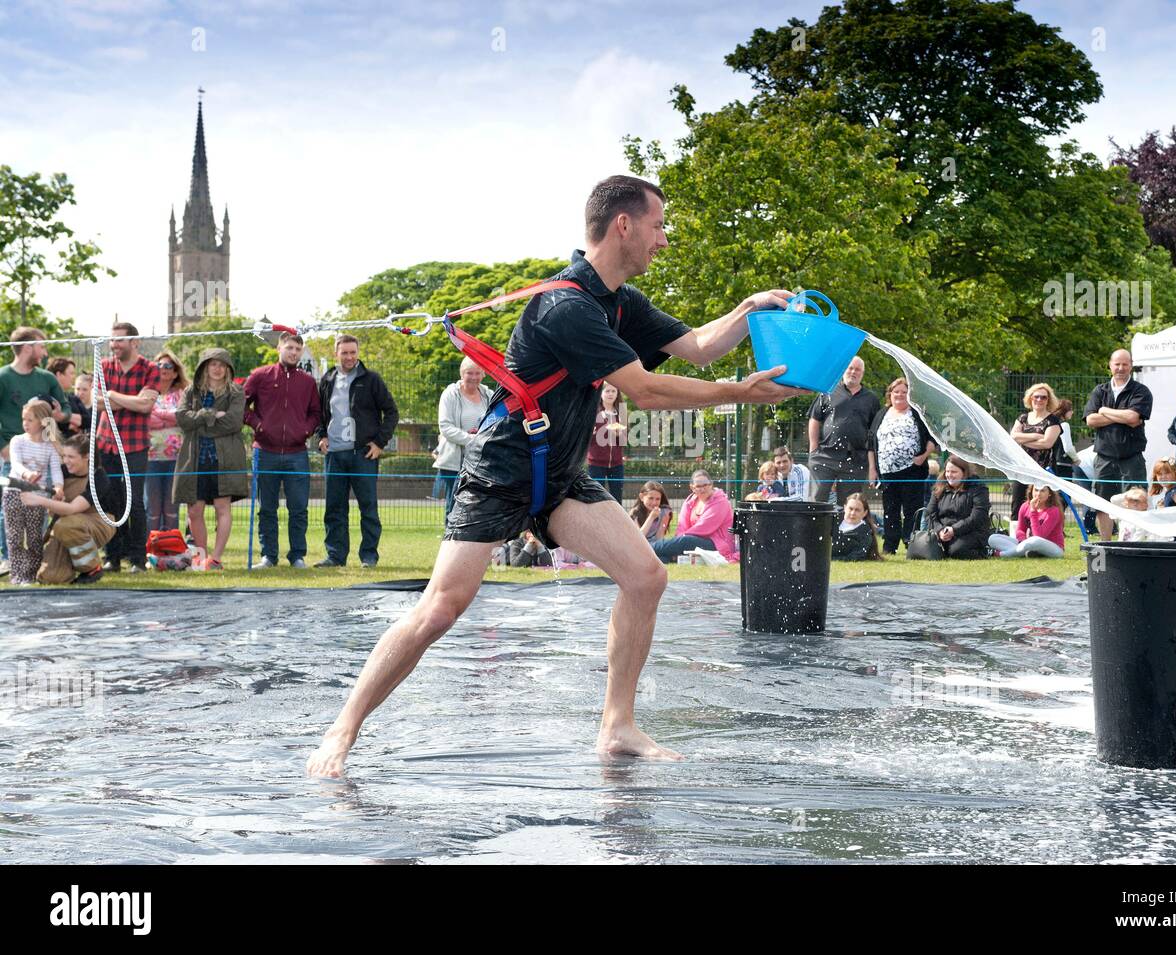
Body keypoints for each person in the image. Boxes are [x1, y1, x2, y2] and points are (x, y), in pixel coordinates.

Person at [306, 174, 803, 776]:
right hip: (502, 472)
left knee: (646, 577)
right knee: (440, 609)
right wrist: (740, 393)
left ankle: (618, 726)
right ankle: (342, 729)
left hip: (563, 476)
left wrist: (749, 310)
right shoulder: (565, 305)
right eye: (658, 225)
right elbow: (643, 392)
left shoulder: (619, 302)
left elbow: (696, 346)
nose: (663, 240)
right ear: (624, 224)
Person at [316, 334, 399, 568]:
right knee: (334, 509)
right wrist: (320, 435)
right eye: (345, 352)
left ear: (358, 353)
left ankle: (369, 557)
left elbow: (392, 412)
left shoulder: (371, 380)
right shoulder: (327, 380)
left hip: (363, 455)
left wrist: (379, 443)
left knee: (368, 509)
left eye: (353, 352)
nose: (349, 357)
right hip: (334, 456)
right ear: (336, 354)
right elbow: (319, 414)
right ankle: (335, 556)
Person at [244, 332, 321, 569]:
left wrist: (305, 431)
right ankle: (269, 556)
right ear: (279, 348)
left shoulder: (308, 382)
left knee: (298, 508)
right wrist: (259, 425)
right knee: (267, 508)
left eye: (298, 349)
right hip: (265, 451)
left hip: (297, 453)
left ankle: (297, 556)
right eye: (289, 348)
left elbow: (316, 414)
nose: (294, 353)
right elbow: (242, 406)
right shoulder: (260, 376)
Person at [1, 328, 71, 574]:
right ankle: (8, 559)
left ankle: (34, 562)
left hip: (44, 454)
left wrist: (58, 415)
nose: (45, 351)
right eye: (42, 346)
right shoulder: (3, 377)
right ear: (28, 347)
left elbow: (65, 410)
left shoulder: (47, 379)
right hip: (13, 452)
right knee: (9, 514)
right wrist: (4, 447)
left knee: (36, 514)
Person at [173, 348, 248, 571]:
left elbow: (234, 423)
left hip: (224, 459)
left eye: (222, 365)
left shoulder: (236, 392)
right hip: (194, 459)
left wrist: (200, 425)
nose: (217, 369)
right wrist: (209, 415)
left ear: (228, 369)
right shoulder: (191, 392)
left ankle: (215, 559)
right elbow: (182, 420)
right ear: (205, 367)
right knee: (194, 510)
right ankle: (200, 556)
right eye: (213, 364)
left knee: (221, 507)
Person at [95, 321, 160, 573]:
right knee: (110, 501)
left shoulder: (150, 368)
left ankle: (138, 559)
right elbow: (96, 404)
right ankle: (112, 557)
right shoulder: (103, 366)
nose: (113, 345)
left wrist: (111, 396)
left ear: (135, 342)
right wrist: (126, 400)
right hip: (106, 443)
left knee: (134, 503)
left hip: (135, 445)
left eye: (119, 340)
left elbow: (146, 406)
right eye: (111, 340)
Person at [23, 433, 116, 584]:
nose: (66, 461)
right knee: (51, 577)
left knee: (67, 525)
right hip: (65, 525)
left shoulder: (98, 478)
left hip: (99, 523)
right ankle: (71, 563)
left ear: (86, 456)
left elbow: (73, 508)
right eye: (64, 456)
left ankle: (92, 569)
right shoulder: (61, 472)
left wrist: (38, 500)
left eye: (71, 457)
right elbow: (55, 512)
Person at [1083, 349, 1153, 541]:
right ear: (1110, 365)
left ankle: (1132, 543)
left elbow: (1133, 417)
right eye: (1117, 364)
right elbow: (1090, 420)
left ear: (1130, 365)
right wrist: (1121, 416)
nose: (1121, 368)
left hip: (1132, 457)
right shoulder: (1100, 390)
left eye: (1125, 364)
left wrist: (1104, 410)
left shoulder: (1140, 391)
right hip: (1104, 458)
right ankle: (1106, 544)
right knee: (1102, 503)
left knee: (1136, 501)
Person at [870, 378, 936, 555]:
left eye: (904, 392)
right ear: (890, 394)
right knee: (890, 510)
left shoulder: (917, 414)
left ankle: (911, 544)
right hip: (887, 472)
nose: (899, 395)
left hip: (912, 470)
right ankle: (889, 545)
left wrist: (922, 457)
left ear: (910, 395)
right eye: (896, 392)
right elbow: (871, 443)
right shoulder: (881, 414)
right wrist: (872, 469)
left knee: (911, 510)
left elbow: (932, 439)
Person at [3, 400, 64, 584]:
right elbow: (16, 464)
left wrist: (59, 486)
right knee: (14, 536)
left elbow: (55, 470)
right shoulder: (17, 441)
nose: (25, 423)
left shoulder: (50, 447)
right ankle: (18, 575)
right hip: (14, 493)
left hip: (37, 498)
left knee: (35, 537)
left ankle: (32, 574)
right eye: (24, 419)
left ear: (42, 422)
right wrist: (27, 474)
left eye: (29, 420)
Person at [808, 356, 880, 503]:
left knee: (849, 504)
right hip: (824, 456)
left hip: (855, 459)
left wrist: (873, 465)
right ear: (843, 370)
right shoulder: (827, 392)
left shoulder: (871, 399)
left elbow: (874, 433)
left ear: (862, 374)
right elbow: (814, 418)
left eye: (857, 370)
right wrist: (813, 449)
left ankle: (842, 527)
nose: (853, 372)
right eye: (850, 368)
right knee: (816, 500)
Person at [433, 358, 492, 519]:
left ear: (483, 374)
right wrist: (471, 439)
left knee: (479, 506)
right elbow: (445, 427)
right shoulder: (450, 394)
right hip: (453, 462)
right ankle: (450, 542)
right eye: (469, 373)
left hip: (481, 461)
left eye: (477, 373)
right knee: (454, 507)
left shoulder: (489, 395)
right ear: (461, 374)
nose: (473, 377)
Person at [650, 469, 737, 563]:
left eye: (705, 485)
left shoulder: (721, 502)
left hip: (718, 545)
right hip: (694, 541)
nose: (702, 489)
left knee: (685, 541)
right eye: (698, 486)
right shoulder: (690, 501)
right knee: (669, 554)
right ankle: (653, 558)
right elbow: (682, 526)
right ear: (692, 487)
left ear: (711, 484)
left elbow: (703, 528)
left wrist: (680, 540)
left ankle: (645, 548)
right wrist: (679, 540)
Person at [145, 349, 187, 533]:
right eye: (159, 365)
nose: (163, 368)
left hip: (175, 460)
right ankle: (150, 548)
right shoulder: (146, 392)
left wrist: (158, 416)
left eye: (168, 365)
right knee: (152, 508)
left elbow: (183, 417)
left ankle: (171, 549)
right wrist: (169, 418)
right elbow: (144, 418)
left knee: (171, 508)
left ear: (175, 372)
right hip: (150, 458)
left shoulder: (182, 393)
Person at [1008, 382, 1063, 520]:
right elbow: (1013, 437)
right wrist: (1036, 436)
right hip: (1021, 468)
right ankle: (1016, 537)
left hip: (1043, 470)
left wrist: (1024, 439)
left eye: (1043, 397)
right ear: (1030, 398)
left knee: (1042, 506)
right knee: (1017, 505)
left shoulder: (1053, 421)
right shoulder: (1023, 418)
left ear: (1048, 400)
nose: (1039, 400)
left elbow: (1047, 443)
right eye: (1036, 397)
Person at [924, 456, 990, 559]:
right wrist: (940, 530)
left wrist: (954, 530)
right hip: (943, 532)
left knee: (957, 550)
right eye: (947, 471)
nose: (949, 475)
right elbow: (929, 513)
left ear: (965, 473)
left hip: (971, 532)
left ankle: (986, 551)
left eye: (954, 472)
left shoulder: (978, 489)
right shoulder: (939, 488)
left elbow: (978, 516)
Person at [988, 483, 1065, 558]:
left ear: (1049, 494)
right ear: (1031, 491)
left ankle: (1001, 554)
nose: (1038, 494)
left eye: (1042, 491)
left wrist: (1033, 511)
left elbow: (1039, 536)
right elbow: (1020, 530)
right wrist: (1022, 540)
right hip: (1029, 543)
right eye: (1036, 490)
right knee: (993, 538)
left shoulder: (1054, 511)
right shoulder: (1025, 506)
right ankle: (1025, 551)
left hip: (1054, 548)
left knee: (1035, 540)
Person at [587, 382, 627, 504]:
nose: (610, 394)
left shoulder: (621, 413)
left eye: (613, 391)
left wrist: (620, 435)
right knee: (596, 497)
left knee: (617, 497)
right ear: (601, 393)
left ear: (617, 394)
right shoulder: (594, 412)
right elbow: (586, 438)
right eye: (607, 391)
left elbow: (624, 441)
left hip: (616, 463)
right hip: (596, 463)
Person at [832, 492, 880, 561]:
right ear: (845, 508)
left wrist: (829, 559)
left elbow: (855, 557)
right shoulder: (831, 520)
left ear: (864, 513)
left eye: (857, 510)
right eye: (850, 509)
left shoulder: (866, 534)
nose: (853, 513)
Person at [47, 358, 89, 438]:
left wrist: (62, 417)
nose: (74, 377)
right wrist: (73, 422)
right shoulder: (47, 398)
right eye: (71, 373)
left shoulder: (73, 398)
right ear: (59, 374)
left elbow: (87, 420)